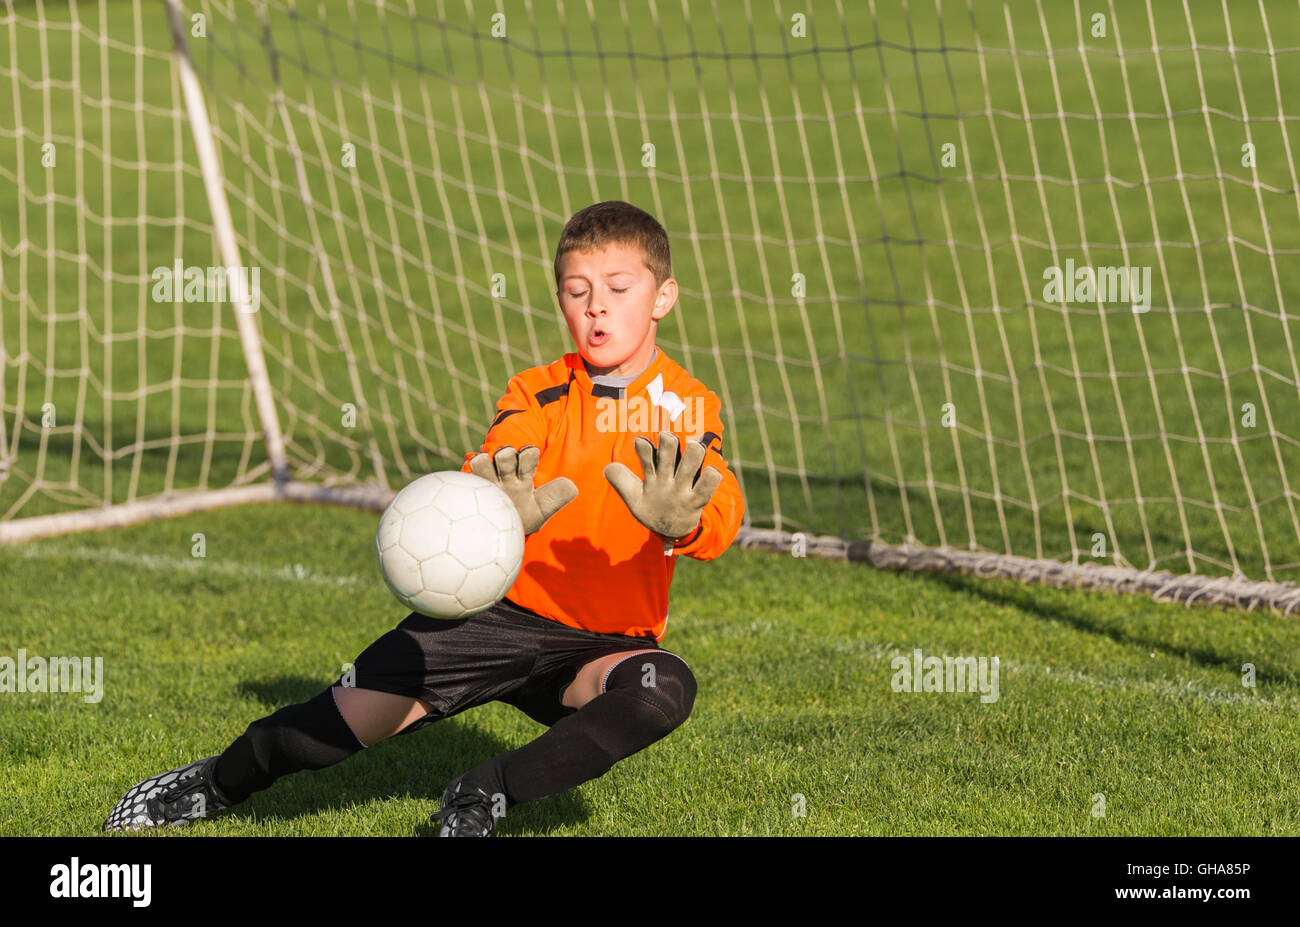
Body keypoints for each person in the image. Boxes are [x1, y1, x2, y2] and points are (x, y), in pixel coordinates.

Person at [105, 200, 746, 836]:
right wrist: (498, 497)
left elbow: (721, 512)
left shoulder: (688, 406)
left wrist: (680, 524)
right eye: (576, 291)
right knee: (315, 738)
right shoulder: (539, 391)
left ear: (662, 297)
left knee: (664, 690)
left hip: (602, 645)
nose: (595, 306)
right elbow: (495, 455)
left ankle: (483, 795)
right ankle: (210, 784)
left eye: (617, 288)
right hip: (492, 615)